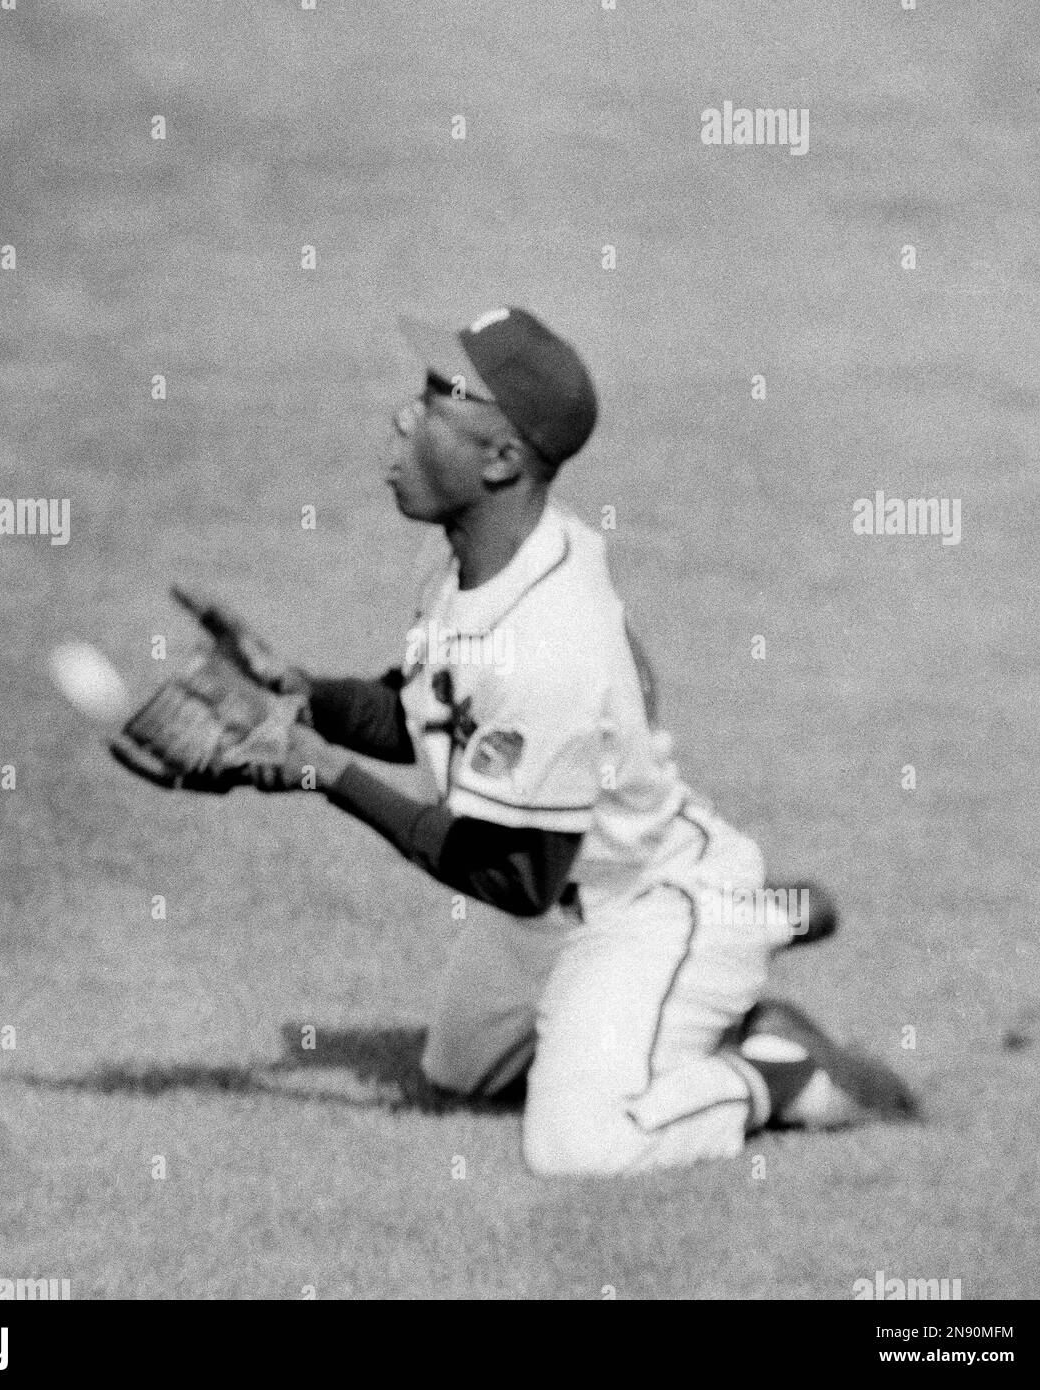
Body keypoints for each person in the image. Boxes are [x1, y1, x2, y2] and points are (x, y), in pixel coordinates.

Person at [269, 305, 916, 1176]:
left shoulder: (549, 642)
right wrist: (302, 697)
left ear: (500, 460)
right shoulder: (483, 556)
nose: (400, 418)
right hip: (563, 889)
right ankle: (742, 936)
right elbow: (427, 710)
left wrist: (324, 776)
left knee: (579, 1144)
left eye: (432, 407)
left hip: (636, 905)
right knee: (455, 1074)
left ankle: (778, 1069)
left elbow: (512, 875)